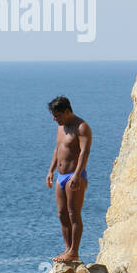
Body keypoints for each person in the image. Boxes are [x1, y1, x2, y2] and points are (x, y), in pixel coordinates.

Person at [45, 96, 92, 264]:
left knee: (74, 213)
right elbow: (58, 149)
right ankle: (67, 249)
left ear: (67, 111)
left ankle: (74, 251)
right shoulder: (61, 127)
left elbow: (84, 153)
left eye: (57, 115)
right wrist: (51, 171)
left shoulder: (82, 127)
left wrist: (77, 174)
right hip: (61, 176)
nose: (54, 119)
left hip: (75, 176)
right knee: (62, 213)